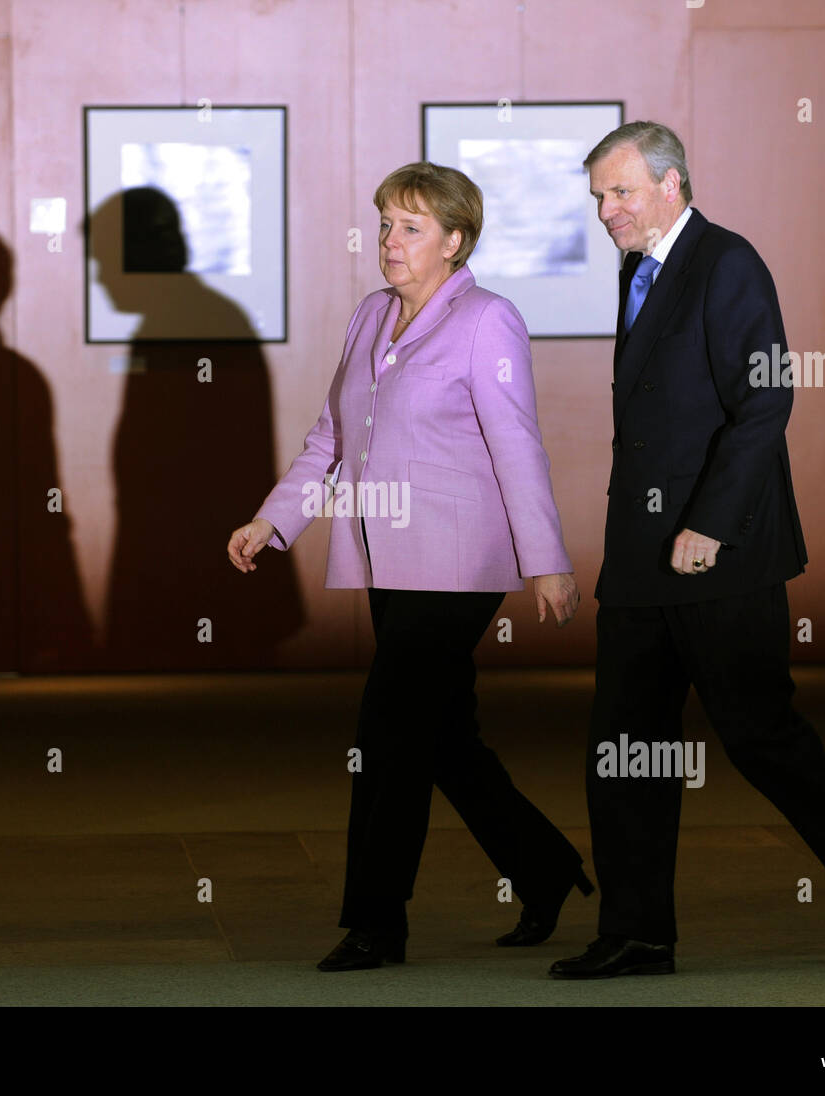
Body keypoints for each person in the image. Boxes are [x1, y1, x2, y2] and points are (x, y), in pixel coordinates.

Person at [550, 122, 825, 980]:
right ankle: (638, 934)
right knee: (625, 747)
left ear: (671, 185)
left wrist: (706, 526)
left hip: (723, 551)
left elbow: (764, 403)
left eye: (620, 192)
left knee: (756, 733)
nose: (605, 211)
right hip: (640, 558)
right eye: (598, 195)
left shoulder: (728, 262)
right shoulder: (640, 268)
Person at [228, 162, 591, 971]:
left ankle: (376, 922)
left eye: (410, 228)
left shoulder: (488, 320)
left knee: (387, 732)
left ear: (455, 241)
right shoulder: (369, 317)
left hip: (458, 565)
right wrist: (273, 521)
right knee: (443, 739)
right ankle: (546, 869)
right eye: (386, 223)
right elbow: (331, 438)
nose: (389, 241)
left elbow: (516, 445)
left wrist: (548, 562)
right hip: (382, 558)